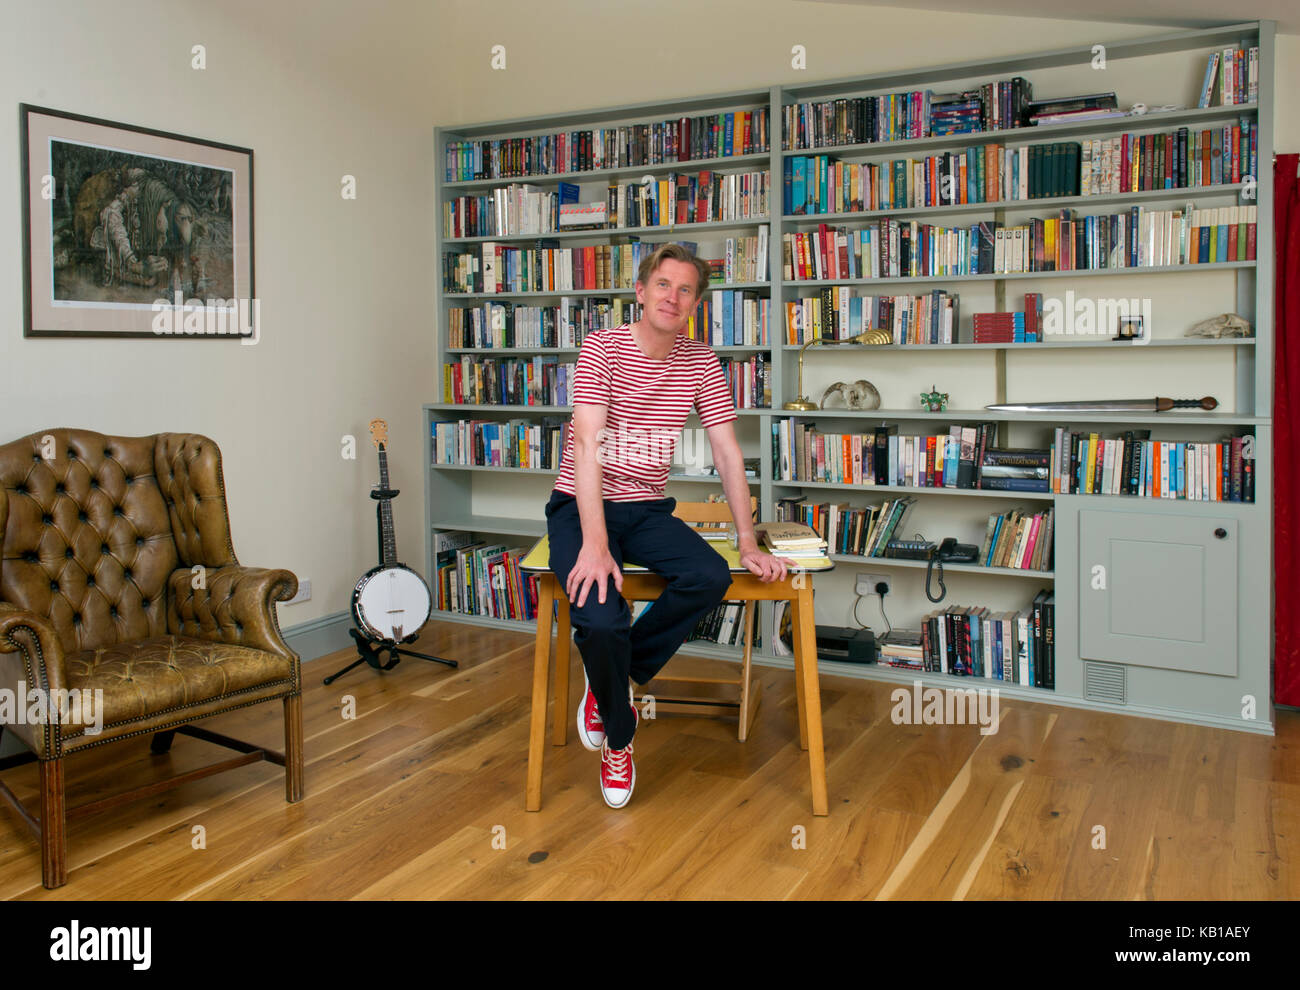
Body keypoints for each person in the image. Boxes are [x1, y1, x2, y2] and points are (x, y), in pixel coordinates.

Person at [545, 243, 792, 809]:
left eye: (685, 290)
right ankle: (619, 737)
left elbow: (729, 455)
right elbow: (587, 447)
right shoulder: (601, 347)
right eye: (663, 285)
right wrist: (596, 546)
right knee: (601, 618)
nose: (672, 297)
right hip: (581, 506)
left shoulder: (702, 362)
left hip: (647, 507)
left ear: (696, 303)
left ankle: (611, 680)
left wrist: (748, 542)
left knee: (710, 575)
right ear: (640, 290)